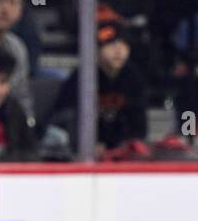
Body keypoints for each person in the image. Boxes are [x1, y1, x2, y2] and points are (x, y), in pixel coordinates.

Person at [51, 17, 148, 155]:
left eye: (124, 45)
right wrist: (85, 145)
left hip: (122, 152)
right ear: (96, 49)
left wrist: (127, 146)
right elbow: (65, 117)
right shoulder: (82, 78)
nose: (118, 50)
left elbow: (139, 124)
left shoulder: (133, 78)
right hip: (84, 151)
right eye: (111, 44)